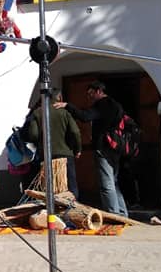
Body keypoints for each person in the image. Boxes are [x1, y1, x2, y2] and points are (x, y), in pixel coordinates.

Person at [54, 80, 127, 214]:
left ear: (99, 91)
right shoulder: (116, 105)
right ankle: (122, 213)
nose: (89, 97)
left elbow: (85, 116)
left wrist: (67, 105)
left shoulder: (103, 104)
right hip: (115, 148)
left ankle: (114, 215)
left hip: (104, 147)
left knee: (106, 184)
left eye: (91, 94)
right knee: (113, 182)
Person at [25, 89, 82, 197]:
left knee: (48, 186)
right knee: (70, 186)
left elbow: (33, 135)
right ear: (59, 98)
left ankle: (51, 209)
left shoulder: (37, 112)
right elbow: (75, 132)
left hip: (45, 155)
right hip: (65, 154)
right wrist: (78, 149)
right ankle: (72, 208)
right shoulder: (64, 112)